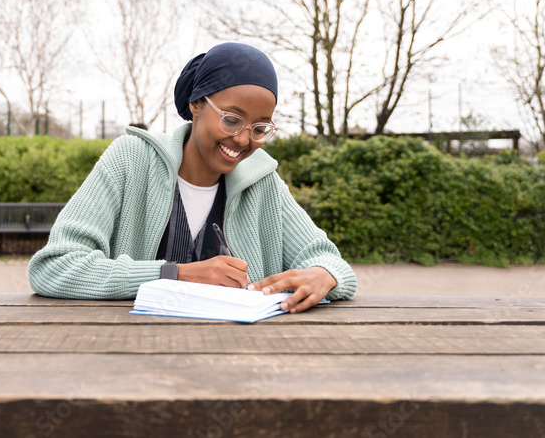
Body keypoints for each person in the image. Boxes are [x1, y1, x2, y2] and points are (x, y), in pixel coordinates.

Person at [28, 42, 356, 313]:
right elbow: (54, 266)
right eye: (231, 120)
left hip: (239, 363)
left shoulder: (262, 182)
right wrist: (173, 274)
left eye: (259, 129)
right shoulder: (130, 160)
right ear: (196, 104)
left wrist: (322, 274)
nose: (243, 140)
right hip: (127, 356)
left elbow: (328, 259)